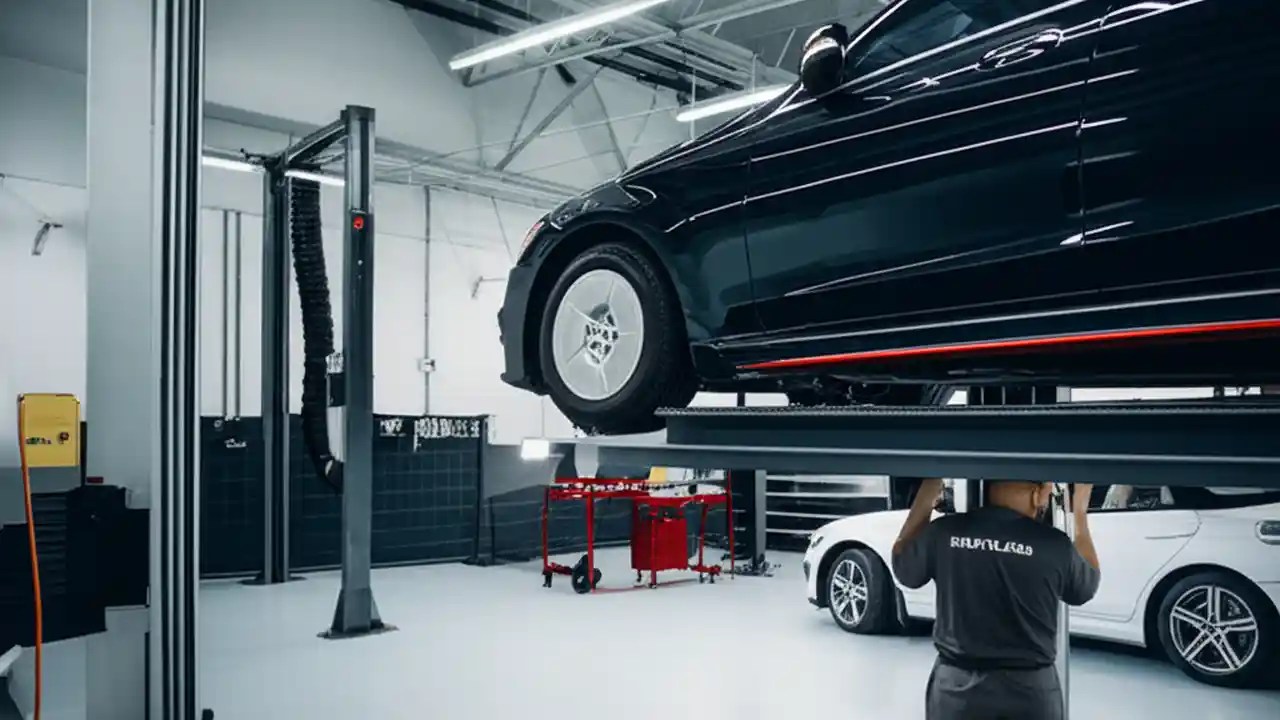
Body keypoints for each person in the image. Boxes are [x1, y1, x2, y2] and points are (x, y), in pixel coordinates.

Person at [891, 479, 1101, 720]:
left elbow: (904, 567)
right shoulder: (1054, 545)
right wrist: (1080, 515)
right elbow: (1086, 587)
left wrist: (931, 484)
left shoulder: (945, 532)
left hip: (956, 691)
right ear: (1037, 494)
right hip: (1031, 694)